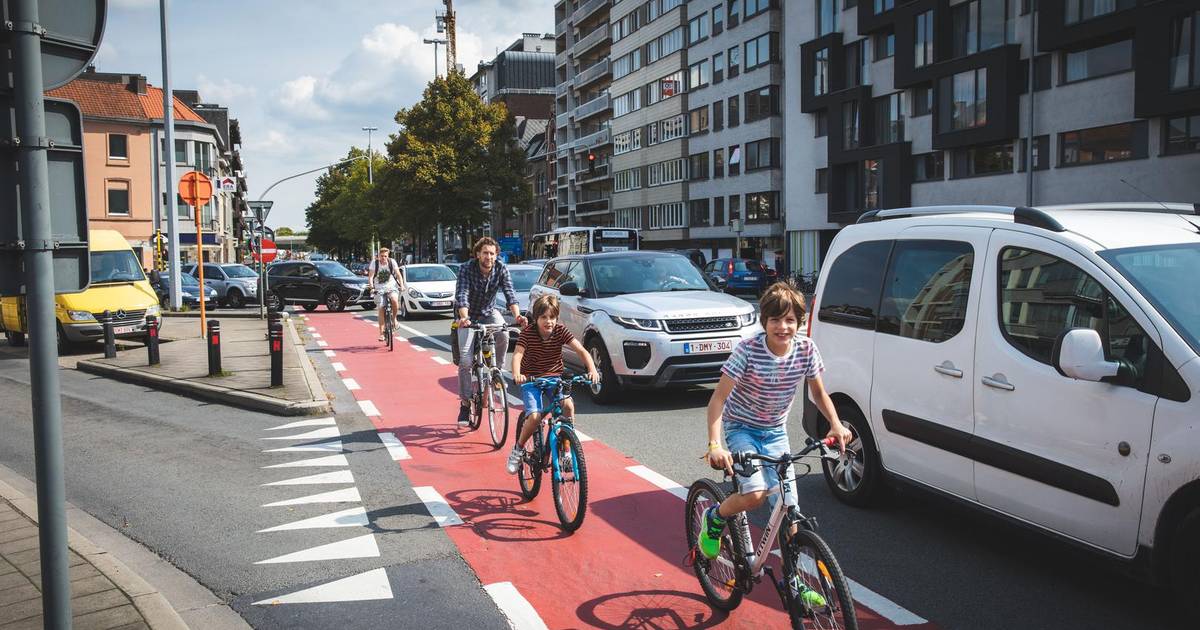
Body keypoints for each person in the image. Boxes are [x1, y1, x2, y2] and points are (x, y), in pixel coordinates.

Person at [696, 282, 852, 607]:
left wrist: (836, 425)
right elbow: (718, 399)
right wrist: (715, 444)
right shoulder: (748, 350)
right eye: (776, 320)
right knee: (753, 495)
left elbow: (819, 394)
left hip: (775, 431)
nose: (783, 327)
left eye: (791, 320)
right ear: (764, 321)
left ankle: (793, 583)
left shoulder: (806, 349)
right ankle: (714, 518)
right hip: (741, 429)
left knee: (790, 512)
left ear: (800, 322)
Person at [505, 295, 601, 474]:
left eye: (552, 317)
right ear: (536, 318)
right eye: (544, 317)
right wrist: (517, 374)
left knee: (568, 406)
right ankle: (518, 450)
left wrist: (592, 369)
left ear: (557, 318)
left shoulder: (561, 331)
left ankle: (566, 452)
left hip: (554, 378)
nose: (548, 321)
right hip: (531, 380)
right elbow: (518, 354)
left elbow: (581, 350)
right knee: (534, 417)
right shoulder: (528, 333)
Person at [454, 237, 527, 427]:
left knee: (503, 332)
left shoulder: (501, 268)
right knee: (465, 360)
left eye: (492, 253)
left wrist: (518, 317)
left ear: (497, 255)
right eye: (485, 253)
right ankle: (464, 403)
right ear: (478, 254)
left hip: (488, 312)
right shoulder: (466, 268)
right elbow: (462, 295)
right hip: (467, 315)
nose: (489, 257)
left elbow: (510, 294)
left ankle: (496, 371)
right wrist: (464, 317)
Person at [367, 248, 401, 342]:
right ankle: (381, 333)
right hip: (379, 288)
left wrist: (401, 286)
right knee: (381, 308)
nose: (383, 258)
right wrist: (372, 287)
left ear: (388, 256)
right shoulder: (375, 263)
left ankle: (394, 319)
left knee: (394, 300)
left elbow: (398, 274)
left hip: (391, 286)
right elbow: (370, 277)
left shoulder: (392, 262)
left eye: (385, 256)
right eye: (381, 256)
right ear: (378, 256)